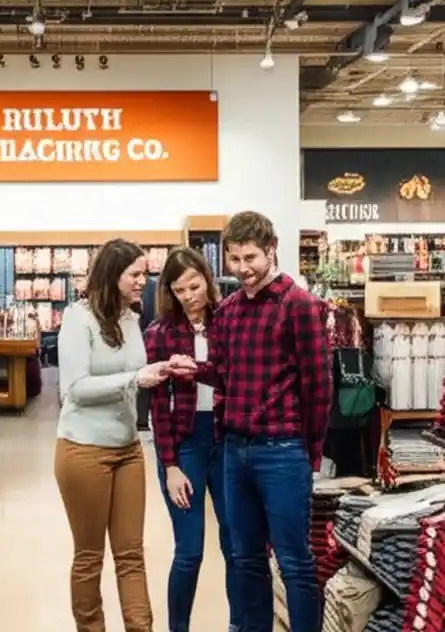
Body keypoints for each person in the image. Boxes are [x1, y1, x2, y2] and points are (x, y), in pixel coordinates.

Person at [171, 211, 332, 632]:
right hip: (234, 450)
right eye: (235, 259)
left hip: (283, 450)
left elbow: (318, 388)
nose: (242, 268)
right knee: (245, 558)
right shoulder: (228, 311)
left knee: (294, 561)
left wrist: (310, 456)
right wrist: (193, 370)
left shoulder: (301, 306)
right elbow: (224, 373)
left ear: (272, 250)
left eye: (251, 258)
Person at [56, 238, 167, 632]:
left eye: (145, 274)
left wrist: (163, 369)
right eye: (135, 274)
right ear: (112, 274)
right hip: (83, 450)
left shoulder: (132, 318)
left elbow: (139, 372)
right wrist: (135, 378)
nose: (142, 281)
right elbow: (75, 388)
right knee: (89, 556)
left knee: (131, 554)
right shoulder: (78, 318)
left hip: (128, 448)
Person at [143, 247, 243, 632]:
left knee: (236, 547)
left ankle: (239, 625)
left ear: (208, 279)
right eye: (179, 290)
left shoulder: (229, 323)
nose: (189, 296)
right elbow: (157, 406)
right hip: (184, 445)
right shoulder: (160, 334)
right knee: (189, 550)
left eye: (195, 286)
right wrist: (169, 466)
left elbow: (236, 379)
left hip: (227, 440)